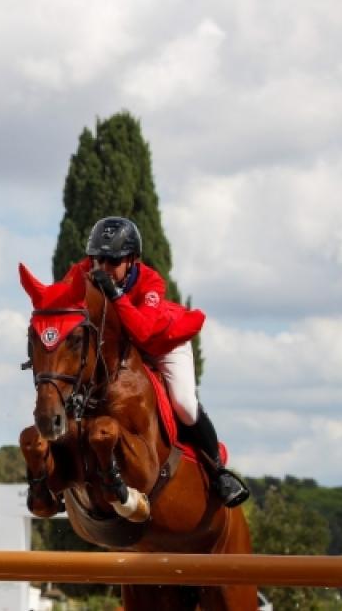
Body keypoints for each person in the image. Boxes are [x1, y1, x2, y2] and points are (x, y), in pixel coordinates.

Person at [66, 216, 249, 507]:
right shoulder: (83, 272)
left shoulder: (150, 281)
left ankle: (218, 472)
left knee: (184, 405)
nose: (102, 268)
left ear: (132, 260)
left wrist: (114, 295)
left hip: (161, 344)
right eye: (97, 260)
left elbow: (142, 332)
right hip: (124, 352)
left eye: (112, 262)